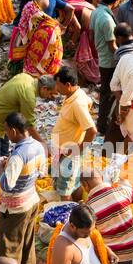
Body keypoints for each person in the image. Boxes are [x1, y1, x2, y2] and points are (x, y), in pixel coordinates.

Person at [0, 112, 48, 264]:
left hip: (15, 209)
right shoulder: (38, 146)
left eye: (7, 130)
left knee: (10, 250)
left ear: (15, 130)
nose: (6, 134)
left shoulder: (19, 155)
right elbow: (41, 173)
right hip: (31, 201)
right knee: (27, 245)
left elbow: (6, 185)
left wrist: (0, 169)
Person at [0, 73, 53, 194]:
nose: (51, 97)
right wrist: (43, 145)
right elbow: (29, 125)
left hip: (3, 123)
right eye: (50, 93)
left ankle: (0, 189)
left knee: (4, 158)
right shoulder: (28, 95)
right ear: (44, 88)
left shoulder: (26, 77)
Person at [9, 0, 74, 77]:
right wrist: (63, 26)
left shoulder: (29, 6)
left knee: (34, 64)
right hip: (53, 36)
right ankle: (49, 83)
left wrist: (19, 42)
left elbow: (22, 26)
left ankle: (35, 83)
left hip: (38, 39)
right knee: (51, 61)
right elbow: (71, 9)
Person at [50, 67, 96, 199]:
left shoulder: (77, 104)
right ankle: (78, 204)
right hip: (63, 150)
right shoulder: (75, 94)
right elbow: (90, 102)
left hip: (70, 153)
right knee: (73, 183)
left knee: (65, 189)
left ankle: (68, 214)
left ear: (68, 85)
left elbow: (92, 131)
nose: (56, 87)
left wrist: (77, 150)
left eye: (58, 84)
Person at [92, 0, 122, 138]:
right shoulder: (107, 20)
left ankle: (102, 122)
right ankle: (103, 125)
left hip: (102, 58)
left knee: (105, 92)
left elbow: (92, 35)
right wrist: (123, 57)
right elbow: (112, 46)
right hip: (109, 62)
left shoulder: (96, 12)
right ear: (116, 0)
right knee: (109, 94)